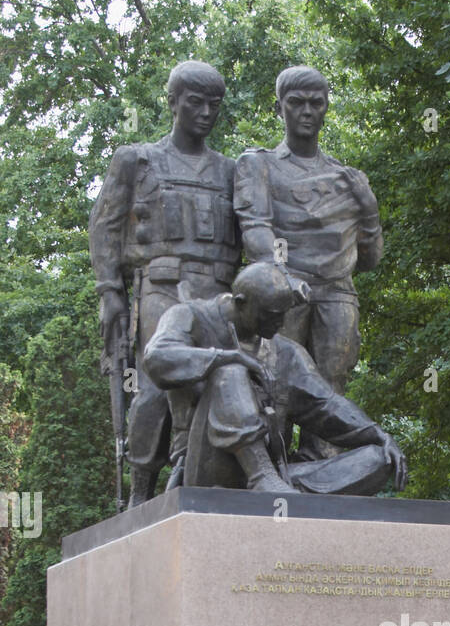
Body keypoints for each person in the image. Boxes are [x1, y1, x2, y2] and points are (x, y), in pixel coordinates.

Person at [89, 60, 240, 506]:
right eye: (196, 102)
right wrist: (109, 291)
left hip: (218, 293)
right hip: (160, 287)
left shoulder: (232, 170)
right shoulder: (137, 161)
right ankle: (141, 491)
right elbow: (104, 226)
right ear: (173, 102)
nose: (206, 112)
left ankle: (199, 473)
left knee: (221, 378)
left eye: (215, 104)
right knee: (159, 379)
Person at [142, 262, 407, 497]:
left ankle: (277, 493)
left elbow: (326, 406)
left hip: (280, 477)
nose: (279, 323)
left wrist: (379, 435)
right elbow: (156, 358)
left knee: (380, 458)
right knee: (230, 371)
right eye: (271, 315)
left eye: (283, 314)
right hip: (209, 472)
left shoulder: (286, 352)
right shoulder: (189, 316)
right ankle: (260, 478)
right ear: (241, 302)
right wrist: (225, 357)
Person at [233, 65, 382, 460]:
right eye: (296, 103)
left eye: (316, 103)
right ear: (279, 107)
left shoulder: (346, 178)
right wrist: (283, 276)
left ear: (326, 108)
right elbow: (256, 229)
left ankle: (322, 465)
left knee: (332, 383)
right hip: (283, 292)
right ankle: (271, 464)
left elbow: (369, 259)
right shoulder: (258, 164)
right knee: (275, 383)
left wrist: (369, 210)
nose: (307, 111)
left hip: (337, 293)